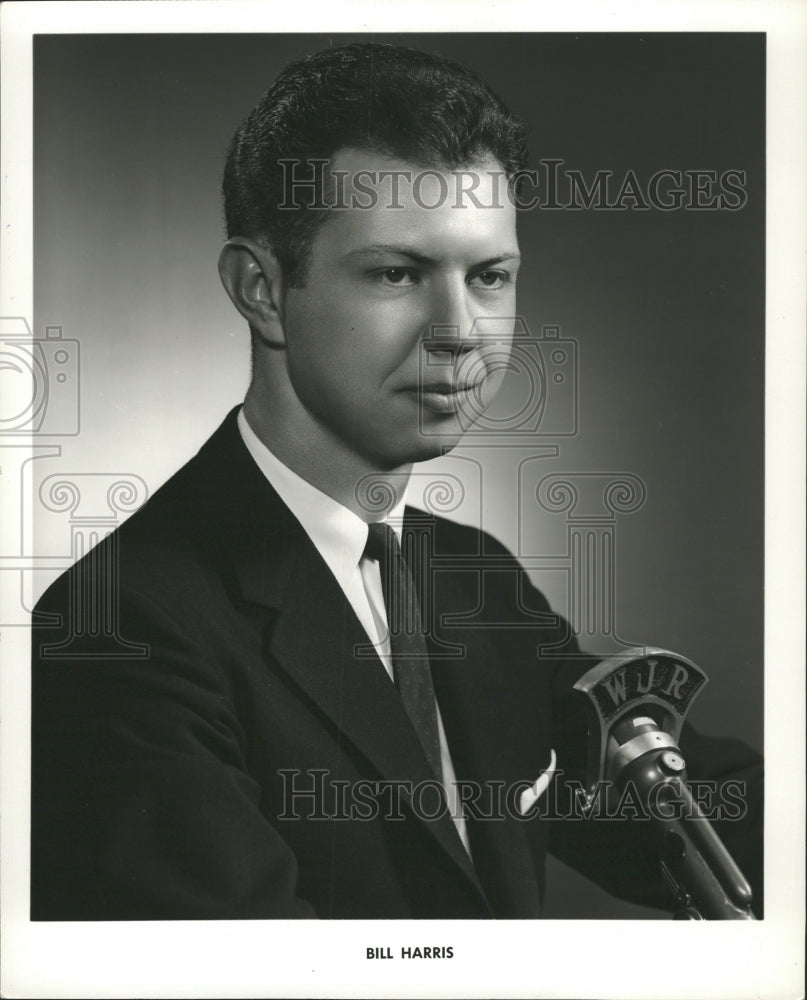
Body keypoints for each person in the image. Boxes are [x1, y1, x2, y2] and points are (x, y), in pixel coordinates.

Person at [30, 41, 762, 920]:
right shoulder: (116, 626)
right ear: (260, 290)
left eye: (489, 276)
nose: (460, 333)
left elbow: (684, 802)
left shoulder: (473, 576)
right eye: (395, 274)